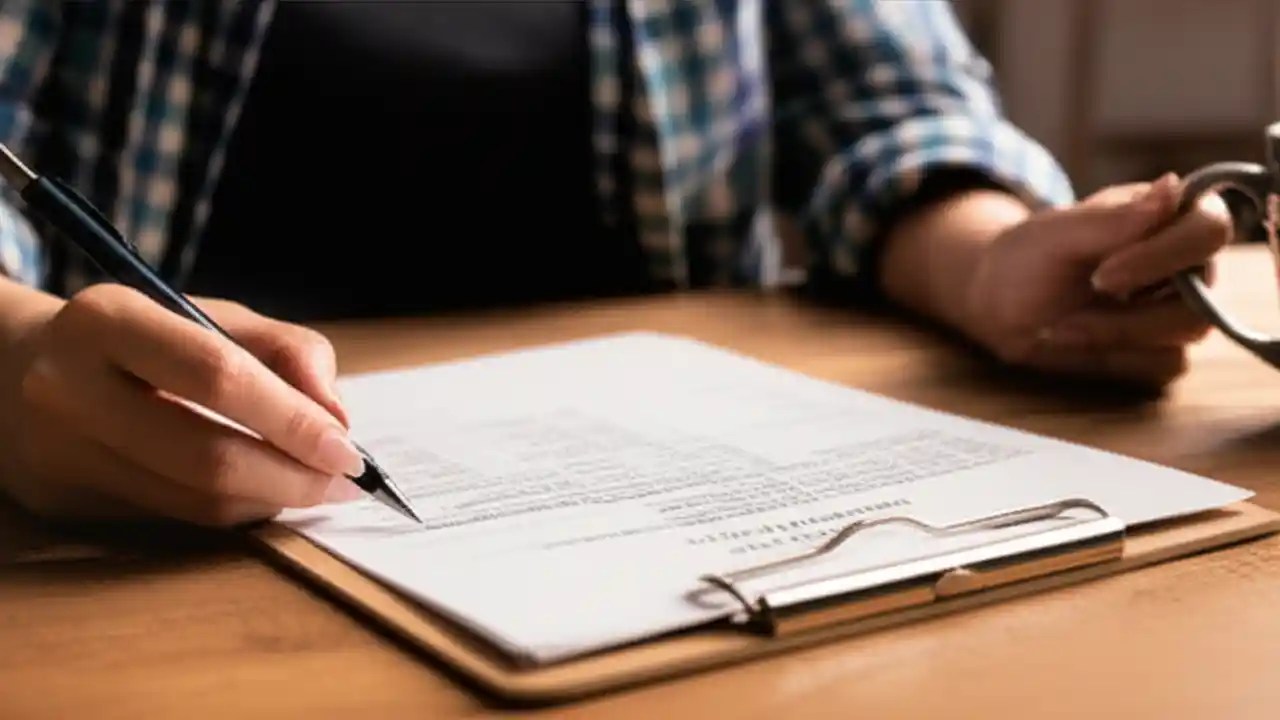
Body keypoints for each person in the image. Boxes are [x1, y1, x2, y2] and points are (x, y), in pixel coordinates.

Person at [0, 1, 1229, 527]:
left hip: (670, 502)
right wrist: (16, 355)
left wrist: (983, 255)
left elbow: (885, 105)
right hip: (134, 512)